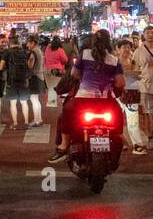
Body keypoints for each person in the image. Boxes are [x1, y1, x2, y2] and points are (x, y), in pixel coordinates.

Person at [48, 29, 125, 163]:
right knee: (119, 115)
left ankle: (64, 145)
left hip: (83, 100)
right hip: (107, 101)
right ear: (110, 43)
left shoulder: (84, 55)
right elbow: (120, 82)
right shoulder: (114, 60)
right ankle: (121, 139)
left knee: (65, 112)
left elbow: (74, 74)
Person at [5, 35, 32, 130]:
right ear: (18, 43)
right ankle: (26, 122)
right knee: (24, 102)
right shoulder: (25, 52)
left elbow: (1, 66)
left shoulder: (7, 52)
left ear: (10, 43)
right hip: (23, 80)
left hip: (11, 80)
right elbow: (29, 65)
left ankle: (15, 123)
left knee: (13, 103)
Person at [27, 36, 46, 127]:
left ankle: (36, 120)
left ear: (32, 43)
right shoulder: (40, 51)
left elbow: (30, 66)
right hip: (40, 76)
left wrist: (26, 61)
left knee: (34, 99)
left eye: (28, 43)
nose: (27, 45)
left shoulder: (33, 52)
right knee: (36, 99)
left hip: (34, 77)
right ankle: (39, 118)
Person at [44, 36, 68, 106]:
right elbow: (65, 60)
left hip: (46, 70)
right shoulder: (60, 50)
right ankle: (53, 102)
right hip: (56, 71)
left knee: (50, 87)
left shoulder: (47, 48)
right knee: (55, 87)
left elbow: (45, 57)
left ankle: (51, 102)